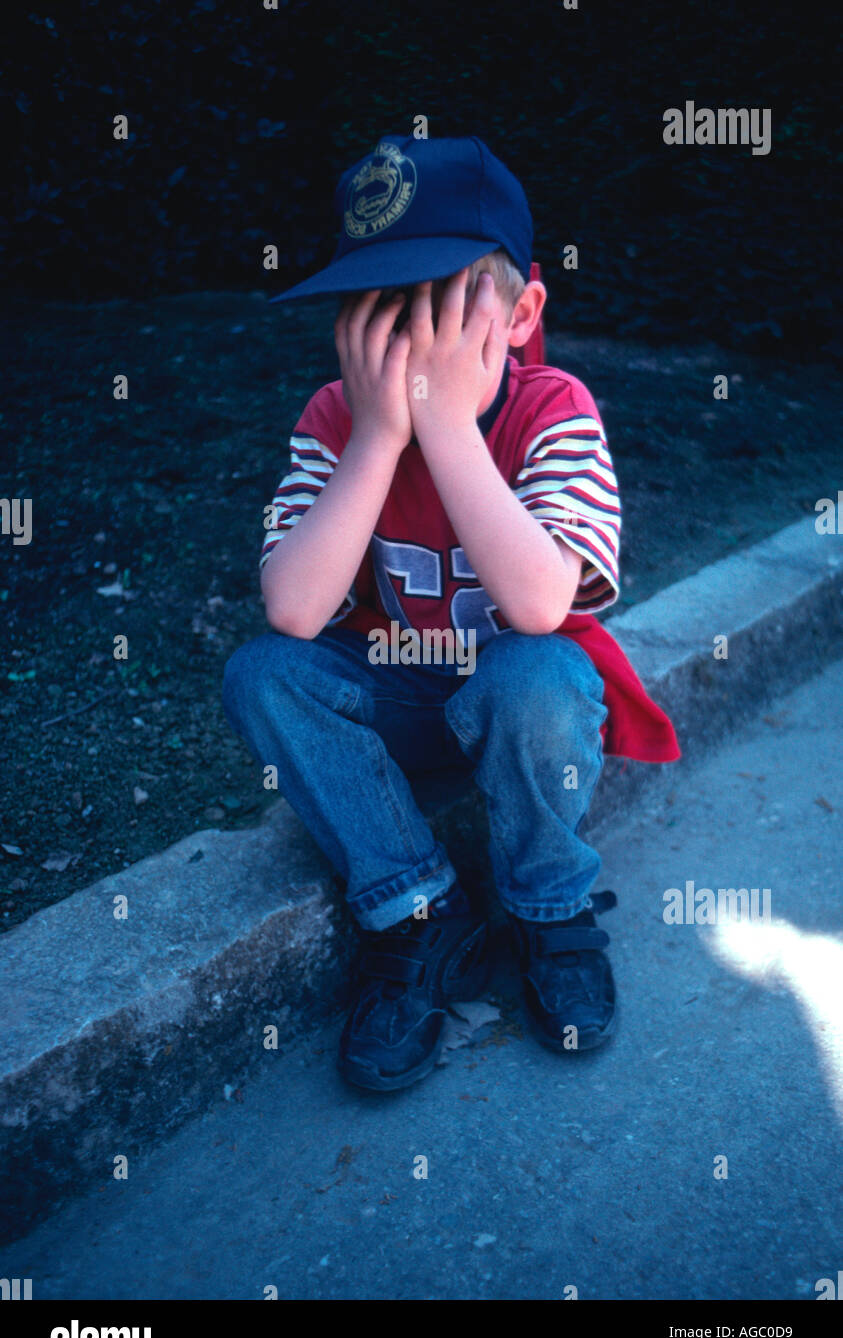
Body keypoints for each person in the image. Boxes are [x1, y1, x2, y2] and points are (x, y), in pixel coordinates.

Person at [222, 134, 680, 1092]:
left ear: (519, 315)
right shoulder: (332, 421)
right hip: (396, 699)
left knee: (539, 668)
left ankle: (551, 911)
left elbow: (539, 600)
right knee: (264, 674)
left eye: (435, 302)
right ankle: (420, 911)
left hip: (516, 706)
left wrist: (444, 425)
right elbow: (296, 612)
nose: (408, 337)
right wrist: (383, 436)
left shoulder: (553, 408)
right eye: (379, 307)